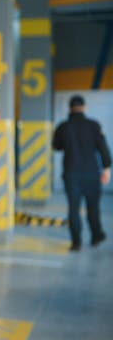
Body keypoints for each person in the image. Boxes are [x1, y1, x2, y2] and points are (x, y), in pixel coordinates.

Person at [52, 94, 111, 251]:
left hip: (71, 174)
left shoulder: (63, 127)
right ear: (84, 107)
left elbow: (56, 146)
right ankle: (96, 236)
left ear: (69, 108)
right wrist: (106, 169)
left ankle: (76, 242)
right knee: (93, 207)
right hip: (91, 173)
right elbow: (103, 148)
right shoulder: (94, 125)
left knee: (73, 208)